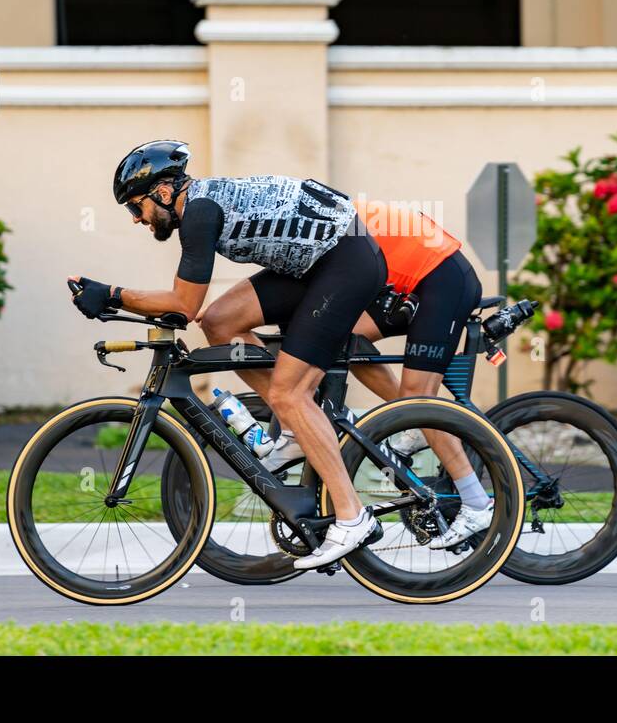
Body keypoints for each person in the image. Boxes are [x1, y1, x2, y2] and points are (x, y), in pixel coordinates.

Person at [69, 140, 387, 570]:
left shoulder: (198, 214)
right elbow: (200, 314)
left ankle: (353, 517)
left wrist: (112, 294)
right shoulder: (201, 204)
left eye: (135, 207)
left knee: (288, 394)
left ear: (163, 192)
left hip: (344, 263)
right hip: (320, 261)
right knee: (220, 323)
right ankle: (298, 426)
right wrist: (116, 298)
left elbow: (183, 306)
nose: (136, 220)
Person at [262, 198, 493, 549]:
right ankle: (410, 422)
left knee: (419, 397)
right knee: (346, 339)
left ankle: (476, 503)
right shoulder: (309, 225)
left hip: (442, 277)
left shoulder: (311, 236)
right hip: (406, 279)